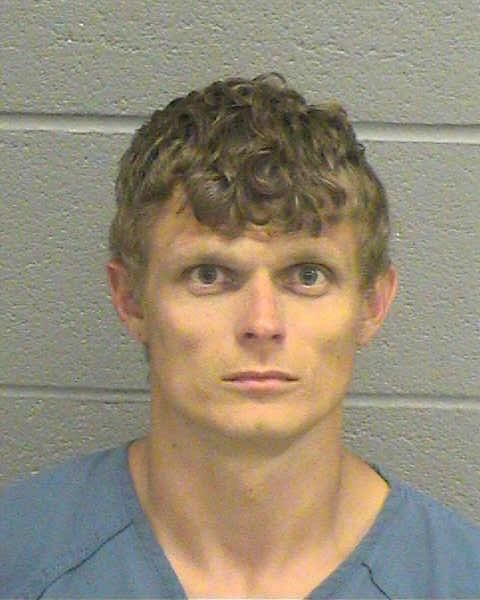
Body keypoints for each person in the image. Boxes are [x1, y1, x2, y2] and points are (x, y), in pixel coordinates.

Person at [1, 73, 479, 599]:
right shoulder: (19, 558)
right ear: (131, 299)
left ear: (372, 304)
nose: (262, 324)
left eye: (308, 276)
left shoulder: (458, 579)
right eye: (209, 275)